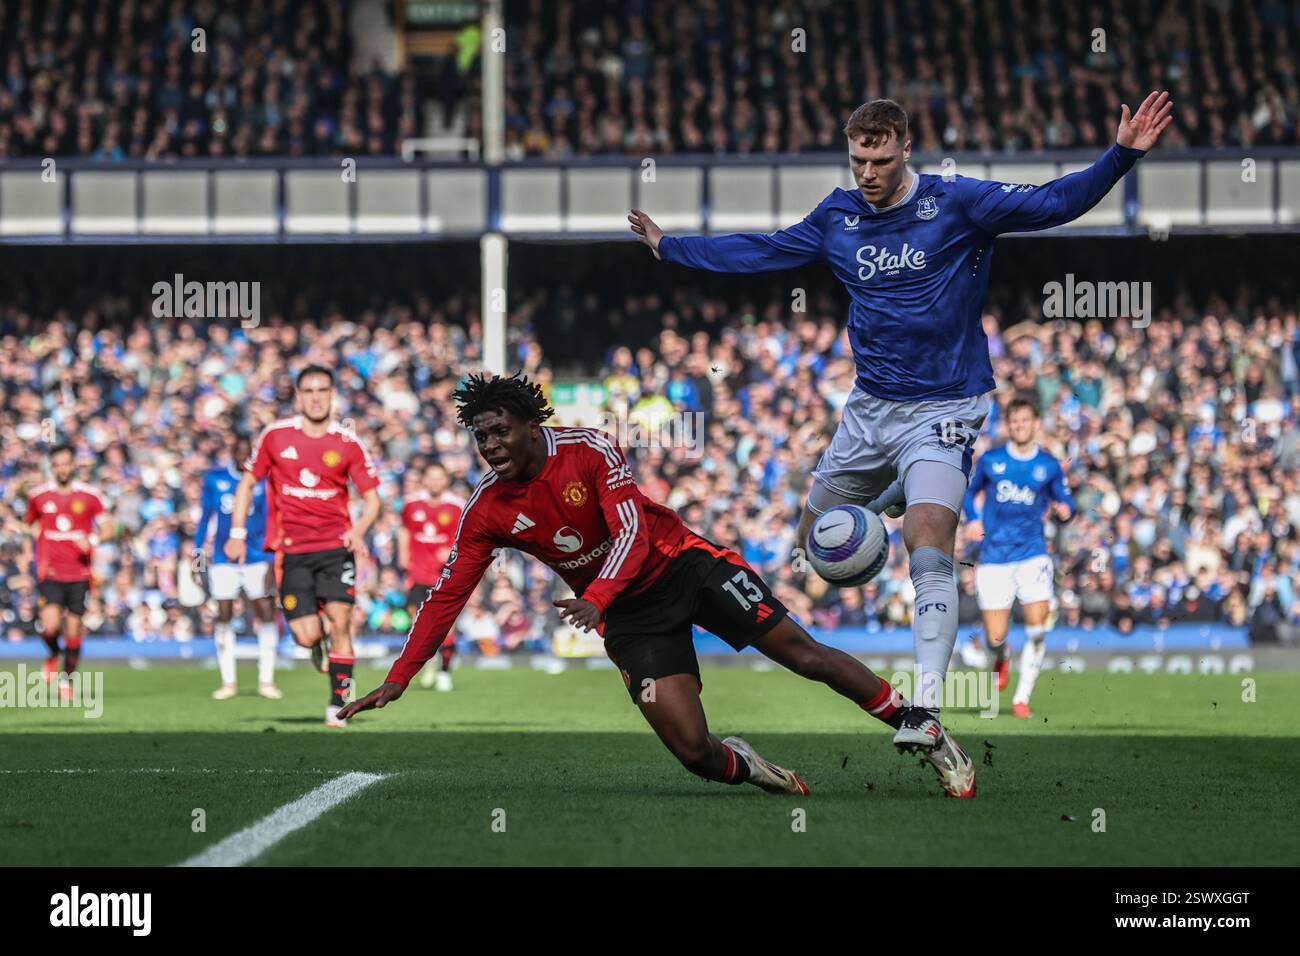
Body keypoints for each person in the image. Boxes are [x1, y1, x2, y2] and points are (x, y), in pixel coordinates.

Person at [629, 91, 1171, 751]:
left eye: (880, 159)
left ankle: (928, 708)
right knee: (813, 548)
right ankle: (885, 494)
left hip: (946, 406)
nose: (868, 172)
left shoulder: (959, 202)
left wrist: (1121, 156)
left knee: (928, 544)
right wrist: (672, 247)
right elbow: (763, 251)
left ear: (906, 149)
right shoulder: (838, 216)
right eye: (859, 159)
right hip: (870, 410)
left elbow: (1055, 202)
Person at [343, 373, 976, 798]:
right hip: (629, 617)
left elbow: (632, 535)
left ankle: (927, 729)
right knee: (696, 754)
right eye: (479, 436)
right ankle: (752, 765)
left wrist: (595, 598)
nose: (489, 445)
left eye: (498, 430)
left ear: (532, 425)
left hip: (684, 566)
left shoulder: (589, 450)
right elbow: (448, 593)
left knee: (805, 655)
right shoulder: (486, 511)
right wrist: (400, 676)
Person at [225, 366, 382, 727]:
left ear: (332, 395)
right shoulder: (276, 436)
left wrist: (358, 530)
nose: (315, 397)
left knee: (341, 621)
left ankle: (337, 704)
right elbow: (248, 484)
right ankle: (318, 645)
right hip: (292, 551)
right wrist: (236, 534)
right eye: (308, 390)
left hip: (334, 549)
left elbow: (373, 500)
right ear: (298, 396)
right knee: (306, 633)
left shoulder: (347, 443)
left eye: (322, 390)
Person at [963, 399, 1075, 717]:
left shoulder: (1049, 465)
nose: (1020, 426)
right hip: (995, 555)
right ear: (1008, 424)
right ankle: (1002, 655)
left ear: (1036, 423)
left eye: (1025, 420)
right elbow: (970, 493)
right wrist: (973, 517)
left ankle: (1021, 698)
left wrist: (1066, 512)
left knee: (1038, 630)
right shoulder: (992, 460)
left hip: (1033, 556)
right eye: (1014, 421)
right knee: (995, 636)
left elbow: (1066, 500)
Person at [23, 445, 112, 700]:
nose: (62, 468)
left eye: (66, 463)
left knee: (73, 630)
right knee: (50, 627)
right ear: (52, 467)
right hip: (50, 573)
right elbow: (28, 525)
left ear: (74, 465)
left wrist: (92, 540)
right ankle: (52, 654)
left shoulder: (90, 496)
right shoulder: (39, 496)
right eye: (57, 464)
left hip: (80, 575)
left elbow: (108, 527)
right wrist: (28, 549)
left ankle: (67, 681)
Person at [197, 433, 281, 700]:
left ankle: (266, 680)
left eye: (249, 454)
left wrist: (273, 558)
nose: (244, 458)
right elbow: (204, 519)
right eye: (240, 452)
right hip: (224, 558)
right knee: (223, 612)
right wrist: (198, 557)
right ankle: (228, 681)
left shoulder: (265, 482)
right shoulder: (215, 479)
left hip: (257, 557)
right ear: (233, 452)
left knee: (265, 611)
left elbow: (272, 520)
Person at [398, 463, 464, 690]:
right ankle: (428, 663)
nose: (435, 481)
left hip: (445, 576)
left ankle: (445, 673)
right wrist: (403, 556)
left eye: (439, 477)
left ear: (446, 480)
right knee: (416, 626)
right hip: (417, 576)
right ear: (424, 479)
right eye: (431, 477)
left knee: (447, 626)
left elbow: (465, 539)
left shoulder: (457, 506)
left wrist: (451, 552)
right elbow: (404, 529)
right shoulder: (411, 503)